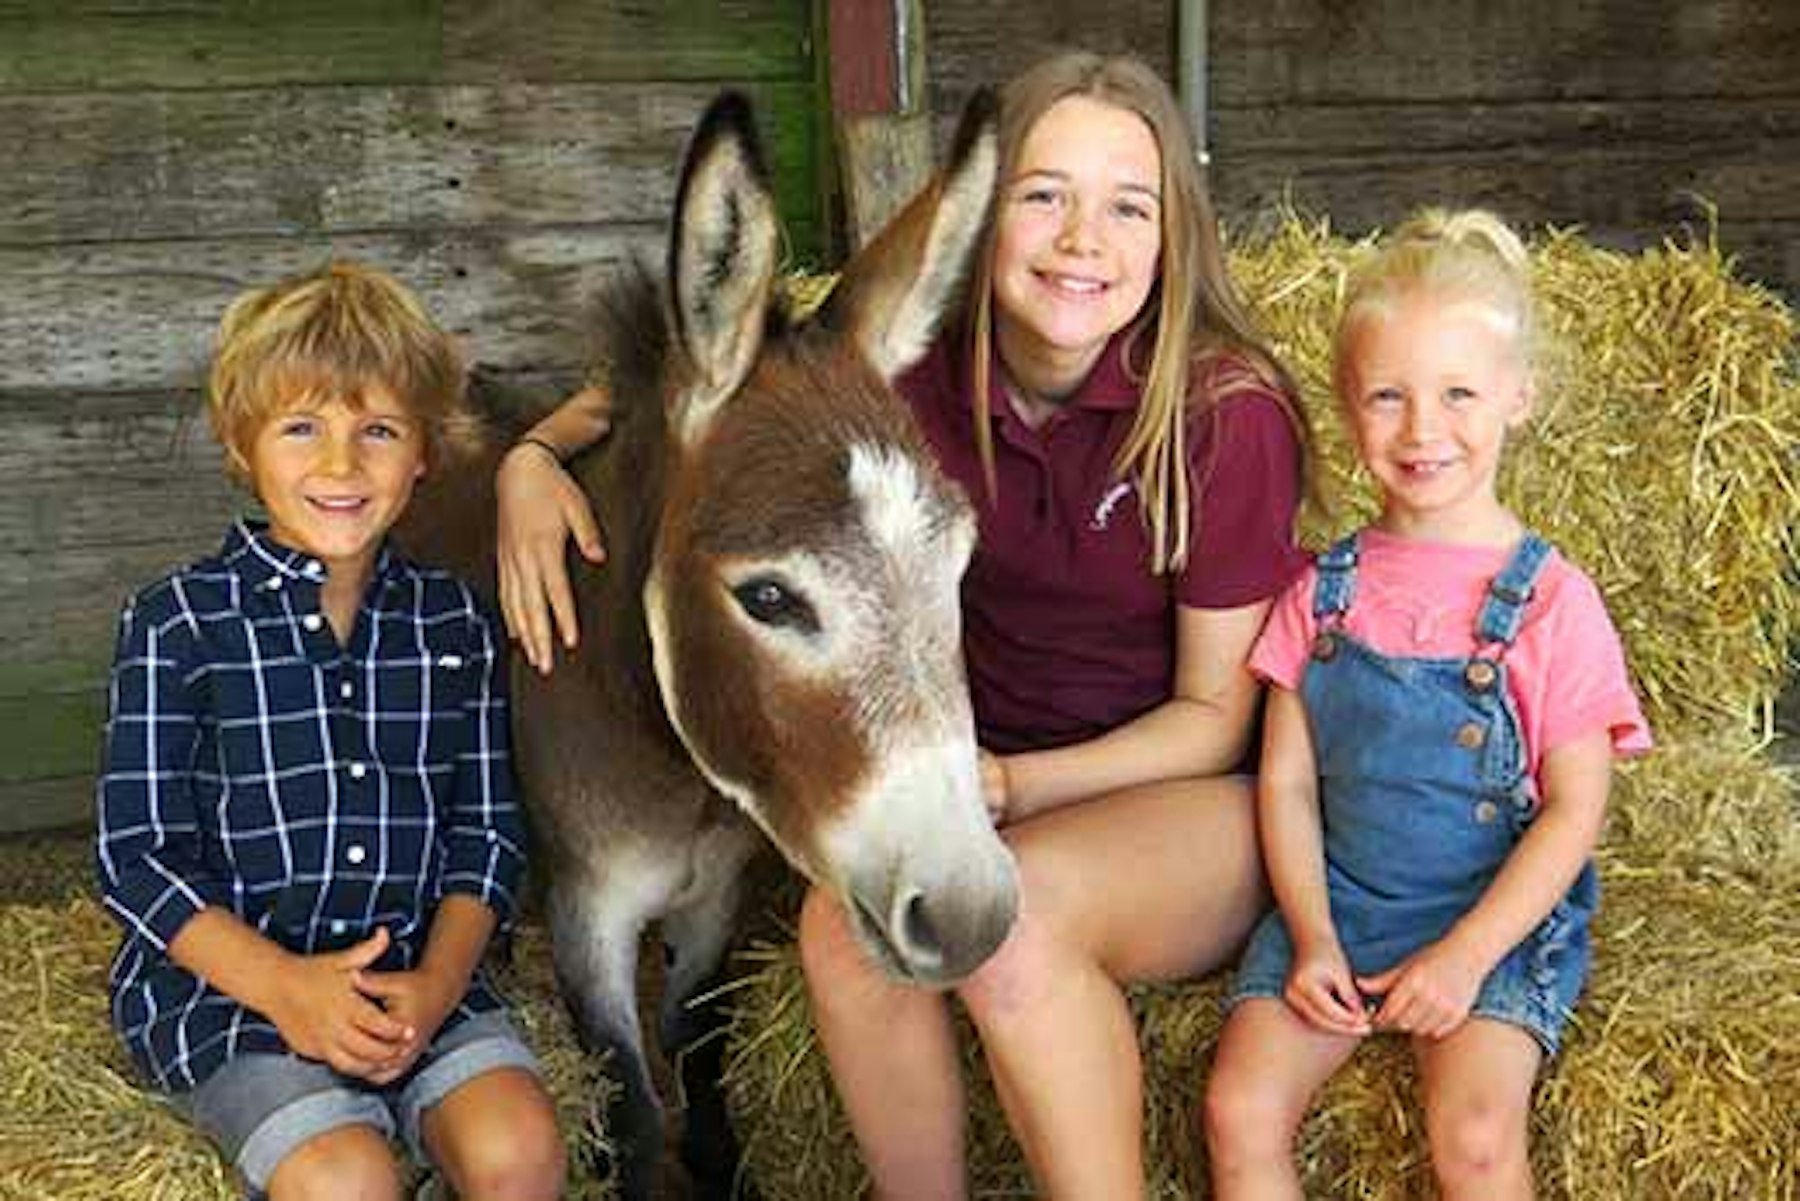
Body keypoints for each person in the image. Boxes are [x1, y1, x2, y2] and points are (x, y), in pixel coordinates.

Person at [494, 52, 1311, 1198]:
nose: (1084, 239)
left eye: (1129, 206)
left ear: (1174, 232)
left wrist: (1019, 787)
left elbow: (1216, 719)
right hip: (976, 789)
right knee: (841, 939)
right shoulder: (903, 380)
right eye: (1044, 195)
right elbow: (702, 383)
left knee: (1014, 936)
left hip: (1188, 802)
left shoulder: (1225, 415)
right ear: (981, 220)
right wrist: (529, 457)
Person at [1202, 208, 1653, 1200]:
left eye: (1458, 394)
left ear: (1519, 399)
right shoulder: (1322, 590)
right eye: (1388, 397)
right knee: (1239, 1108)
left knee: (1478, 1133)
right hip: (1345, 903)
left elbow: (1577, 808)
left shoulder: (1549, 600)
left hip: (1488, 916)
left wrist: (1465, 957)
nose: (1422, 430)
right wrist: (1312, 934)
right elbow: (1286, 784)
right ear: (1348, 407)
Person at [95, 262, 566, 1201]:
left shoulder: (454, 623)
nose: (341, 465)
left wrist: (436, 983)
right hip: (236, 1000)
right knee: (349, 1182)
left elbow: (485, 839)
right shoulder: (178, 622)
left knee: (521, 1150)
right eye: (302, 427)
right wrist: (286, 988)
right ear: (243, 444)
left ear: (425, 452)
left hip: (417, 983)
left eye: (378, 430)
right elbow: (136, 857)